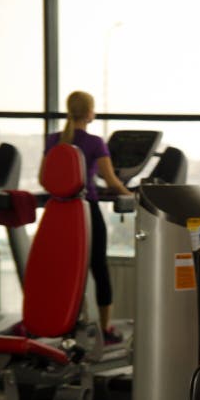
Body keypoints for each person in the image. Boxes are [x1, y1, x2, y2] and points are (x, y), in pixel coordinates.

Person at [41, 90, 131, 345]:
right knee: (98, 268)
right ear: (90, 112)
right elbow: (111, 180)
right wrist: (134, 196)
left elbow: (43, 179)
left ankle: (68, 323)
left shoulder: (52, 140)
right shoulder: (95, 142)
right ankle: (106, 330)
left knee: (66, 270)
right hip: (86, 211)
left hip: (58, 212)